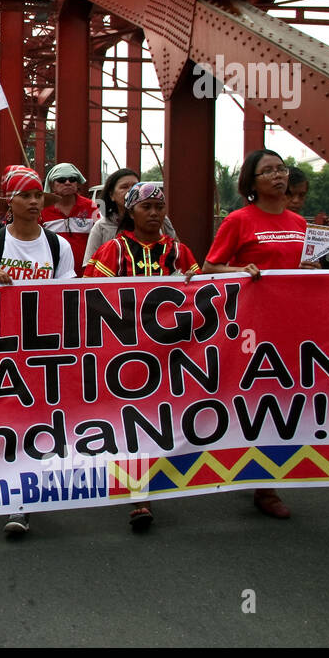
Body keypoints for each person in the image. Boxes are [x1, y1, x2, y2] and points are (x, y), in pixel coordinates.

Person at [83, 182, 200, 532]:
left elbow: (203, 292)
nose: (153, 213)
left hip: (171, 352)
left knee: (160, 415)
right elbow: (89, 293)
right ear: (130, 211)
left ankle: (146, 483)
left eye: (159, 207)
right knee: (132, 417)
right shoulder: (114, 250)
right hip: (125, 353)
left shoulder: (179, 252)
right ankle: (139, 493)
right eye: (146, 206)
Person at [203, 148, 308, 520]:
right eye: (268, 171)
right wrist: (239, 269)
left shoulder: (299, 222)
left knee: (284, 399)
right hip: (251, 325)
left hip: (292, 324)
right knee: (253, 399)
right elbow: (209, 265)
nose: (279, 176)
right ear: (252, 182)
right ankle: (261, 483)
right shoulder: (238, 220)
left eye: (282, 169)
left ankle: (268, 477)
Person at [0, 165, 74, 538]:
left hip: (43, 351)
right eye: (26, 196)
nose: (35, 203)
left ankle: (23, 500)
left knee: (38, 423)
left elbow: (69, 299)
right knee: (6, 422)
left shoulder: (57, 246)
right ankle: (7, 487)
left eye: (38, 197)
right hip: (1, 350)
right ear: (10, 202)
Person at [84, 167, 176, 264]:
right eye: (124, 187)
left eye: (135, 186)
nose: (131, 191)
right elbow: (89, 266)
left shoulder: (158, 220)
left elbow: (177, 254)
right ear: (111, 195)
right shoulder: (101, 226)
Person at [40, 162, 100, 271]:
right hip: (52, 273)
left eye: (72, 179)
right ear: (52, 185)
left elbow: (102, 236)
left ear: (77, 184)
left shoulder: (91, 206)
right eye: (61, 180)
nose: (67, 182)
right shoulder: (41, 209)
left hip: (85, 274)